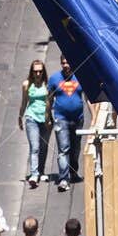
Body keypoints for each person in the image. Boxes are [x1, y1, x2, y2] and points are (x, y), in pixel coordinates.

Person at [46, 56, 86, 190]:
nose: (65, 65)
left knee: (75, 148)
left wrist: (94, 116)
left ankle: (73, 173)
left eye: (67, 62)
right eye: (63, 63)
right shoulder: (54, 79)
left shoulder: (80, 77)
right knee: (64, 149)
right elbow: (49, 99)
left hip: (78, 119)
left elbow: (87, 98)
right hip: (61, 118)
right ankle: (63, 178)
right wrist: (48, 116)